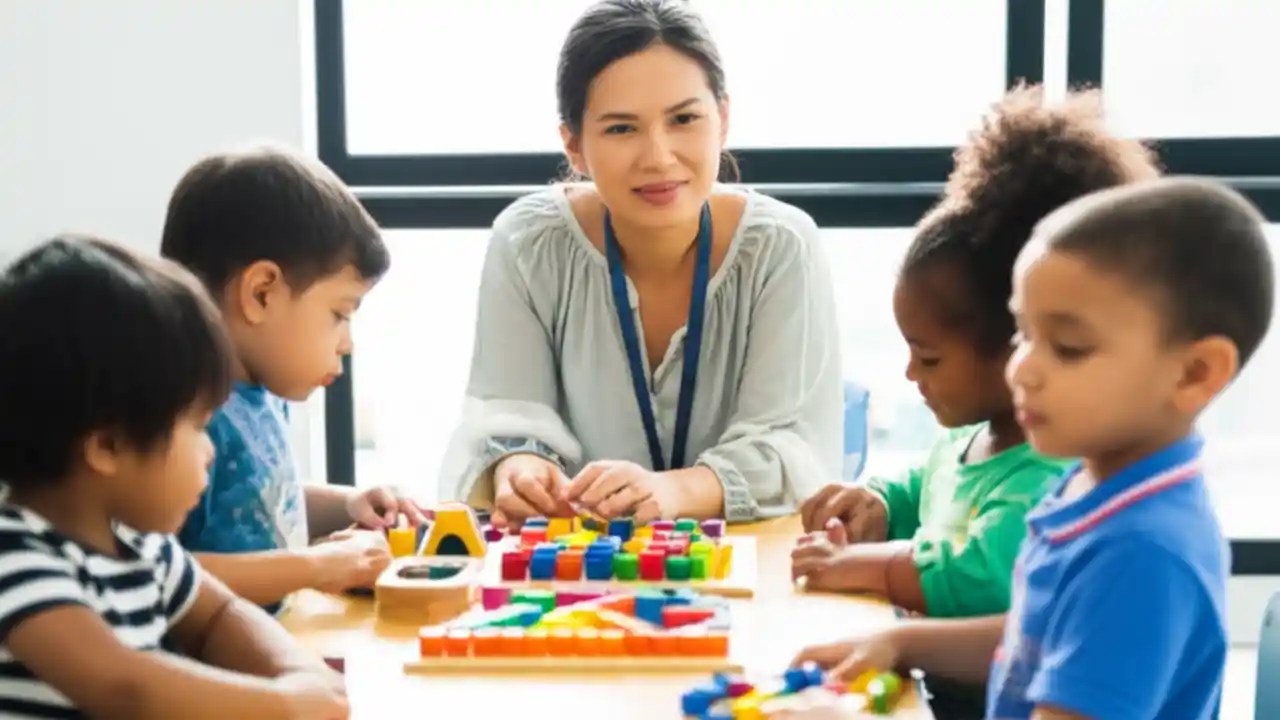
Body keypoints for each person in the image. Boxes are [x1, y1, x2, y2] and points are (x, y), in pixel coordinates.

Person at [796, 177, 1274, 720]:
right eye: (1023, 335)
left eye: (1068, 348)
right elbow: (1036, 632)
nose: (1021, 369)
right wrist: (902, 643)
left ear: (1193, 373)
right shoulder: (1092, 481)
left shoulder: (1142, 553)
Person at [439, 0, 842, 528]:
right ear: (574, 145)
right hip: (577, 563)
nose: (658, 155)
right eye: (621, 129)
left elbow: (791, 446)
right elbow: (505, 415)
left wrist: (672, 491)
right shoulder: (528, 241)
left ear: (722, 120)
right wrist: (520, 469)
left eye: (684, 119)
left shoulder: (781, 246)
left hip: (750, 558)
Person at [791, 87, 1157, 618]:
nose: (911, 372)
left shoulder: (1054, 470)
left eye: (931, 358)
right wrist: (879, 502)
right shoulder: (970, 439)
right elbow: (926, 486)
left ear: (1019, 346)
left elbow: (986, 574)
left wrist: (869, 565)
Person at [0, 237, 347, 718]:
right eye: (199, 425)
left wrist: (298, 671)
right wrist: (283, 705)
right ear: (108, 446)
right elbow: (124, 687)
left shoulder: (143, 548)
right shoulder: (16, 558)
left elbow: (222, 617)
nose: (209, 450)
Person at [161, 146, 424, 610]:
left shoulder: (261, 393)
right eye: (340, 314)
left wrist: (348, 504)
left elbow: (257, 504)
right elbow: (156, 573)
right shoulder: (182, 417)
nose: (348, 343)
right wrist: (316, 567)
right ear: (262, 293)